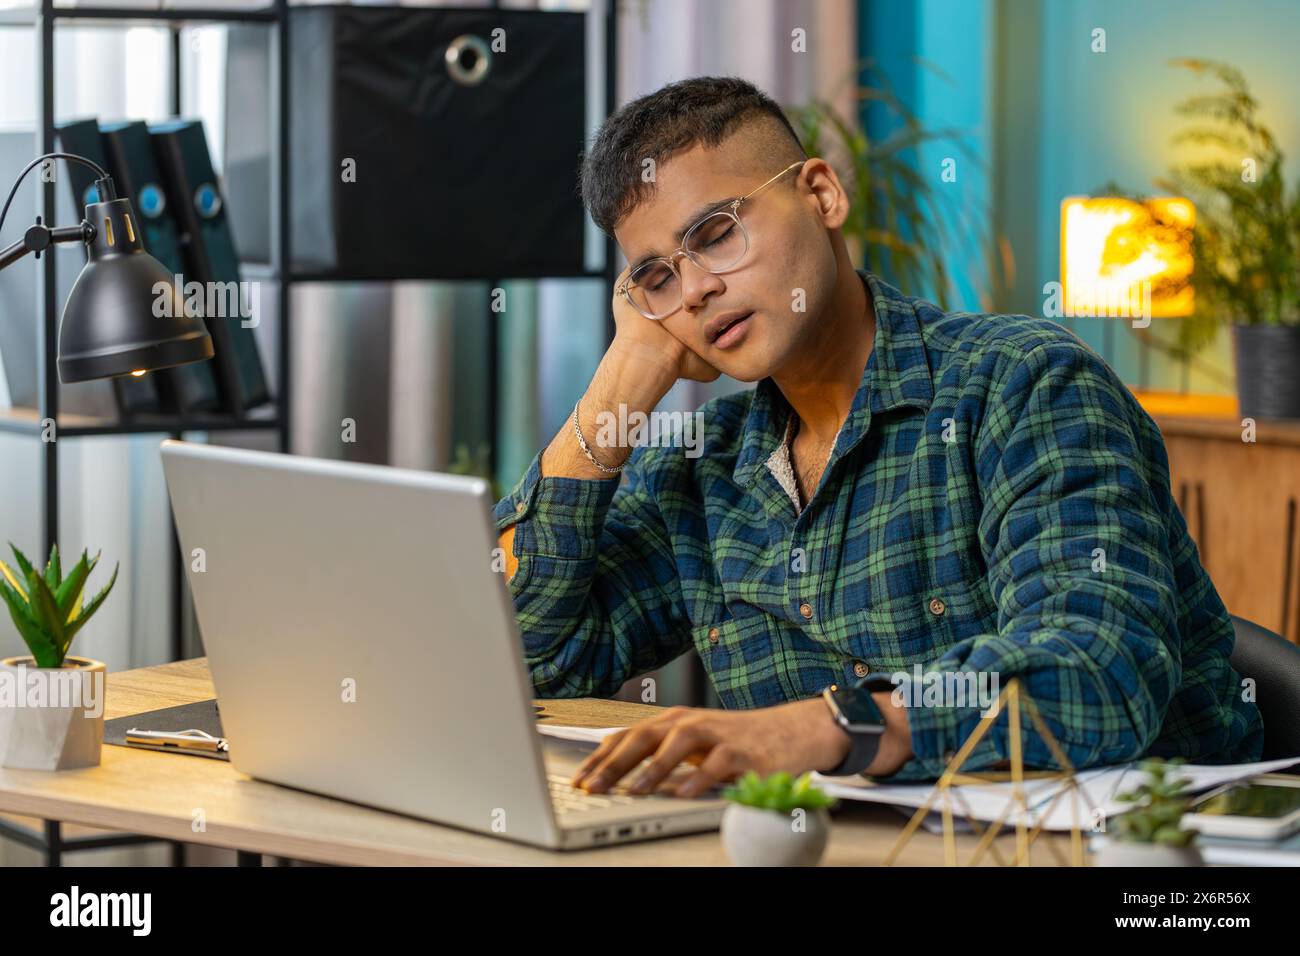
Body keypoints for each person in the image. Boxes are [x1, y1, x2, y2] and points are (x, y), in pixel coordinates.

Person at [492, 76, 1263, 798]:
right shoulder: (704, 466)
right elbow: (532, 665)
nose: (693, 290)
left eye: (717, 233)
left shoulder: (1026, 385)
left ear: (821, 194)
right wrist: (619, 384)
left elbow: (1099, 669)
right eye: (657, 276)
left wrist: (824, 729)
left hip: (1147, 852)